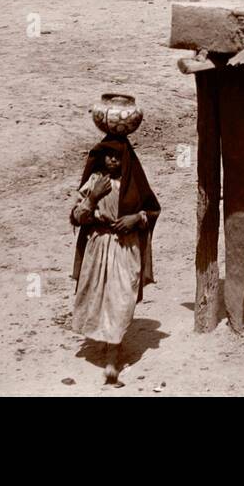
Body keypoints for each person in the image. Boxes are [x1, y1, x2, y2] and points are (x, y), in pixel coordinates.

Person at [70, 136, 160, 385]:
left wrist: (135, 218)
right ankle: (110, 349)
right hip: (98, 247)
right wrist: (92, 198)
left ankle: (112, 357)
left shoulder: (135, 184)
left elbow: (153, 210)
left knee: (122, 300)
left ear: (126, 159)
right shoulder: (95, 182)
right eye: (108, 154)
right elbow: (77, 217)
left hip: (126, 248)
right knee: (100, 299)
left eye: (118, 156)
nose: (112, 159)